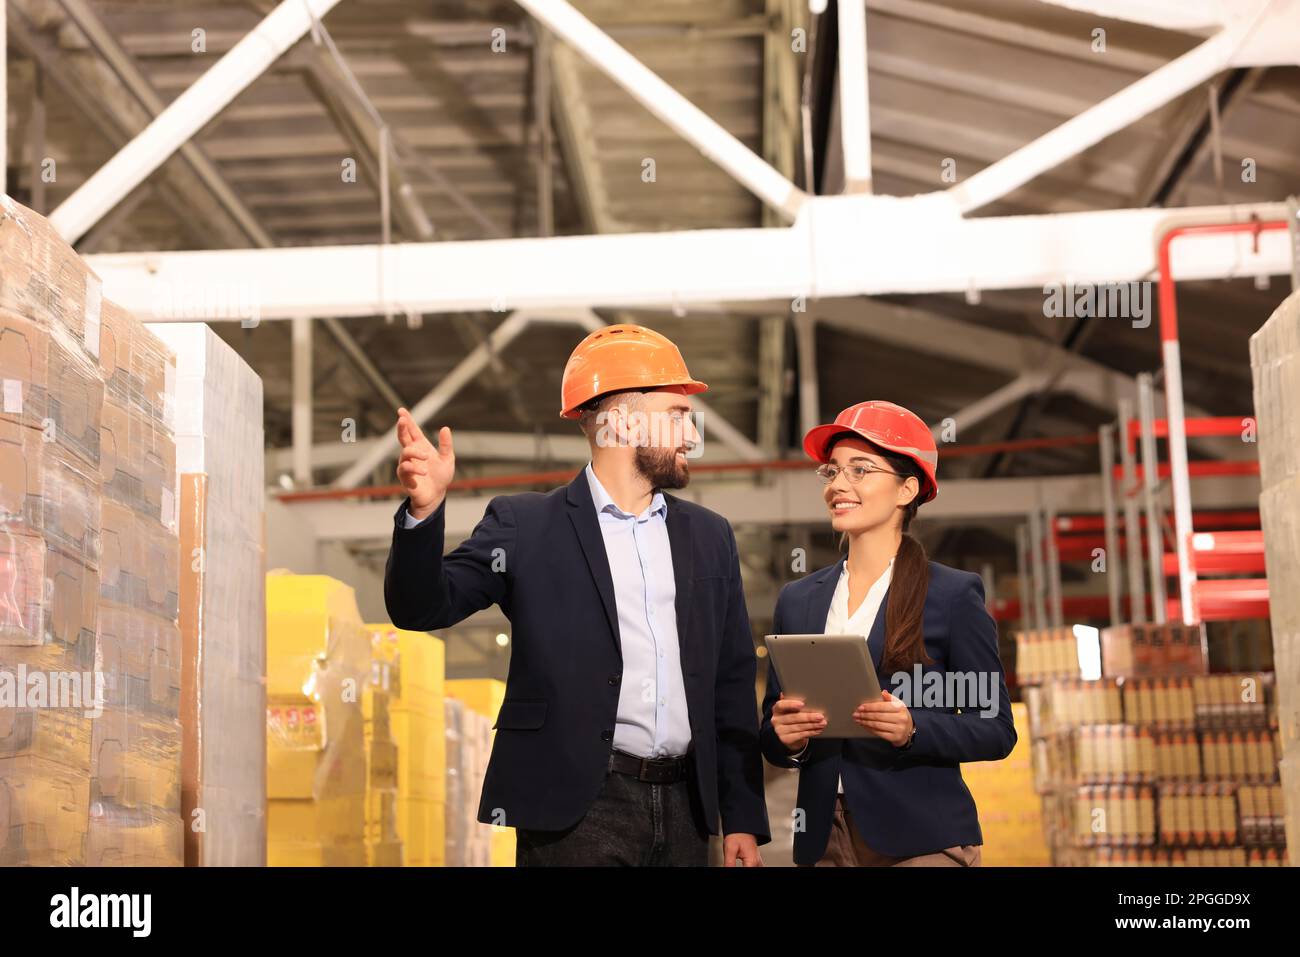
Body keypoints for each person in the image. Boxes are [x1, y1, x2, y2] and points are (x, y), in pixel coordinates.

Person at [385, 324, 769, 866]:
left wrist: (744, 820)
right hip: (577, 811)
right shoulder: (525, 526)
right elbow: (421, 607)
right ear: (620, 421)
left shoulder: (709, 536)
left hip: (688, 810)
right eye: (678, 414)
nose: (691, 434)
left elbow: (730, 685)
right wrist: (425, 511)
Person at [760, 400, 1016, 866]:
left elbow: (995, 729)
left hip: (921, 840)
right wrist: (786, 737)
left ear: (907, 489)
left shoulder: (952, 597)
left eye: (860, 471)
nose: (839, 485)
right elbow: (773, 732)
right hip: (823, 839)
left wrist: (913, 727)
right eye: (833, 471)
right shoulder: (798, 601)